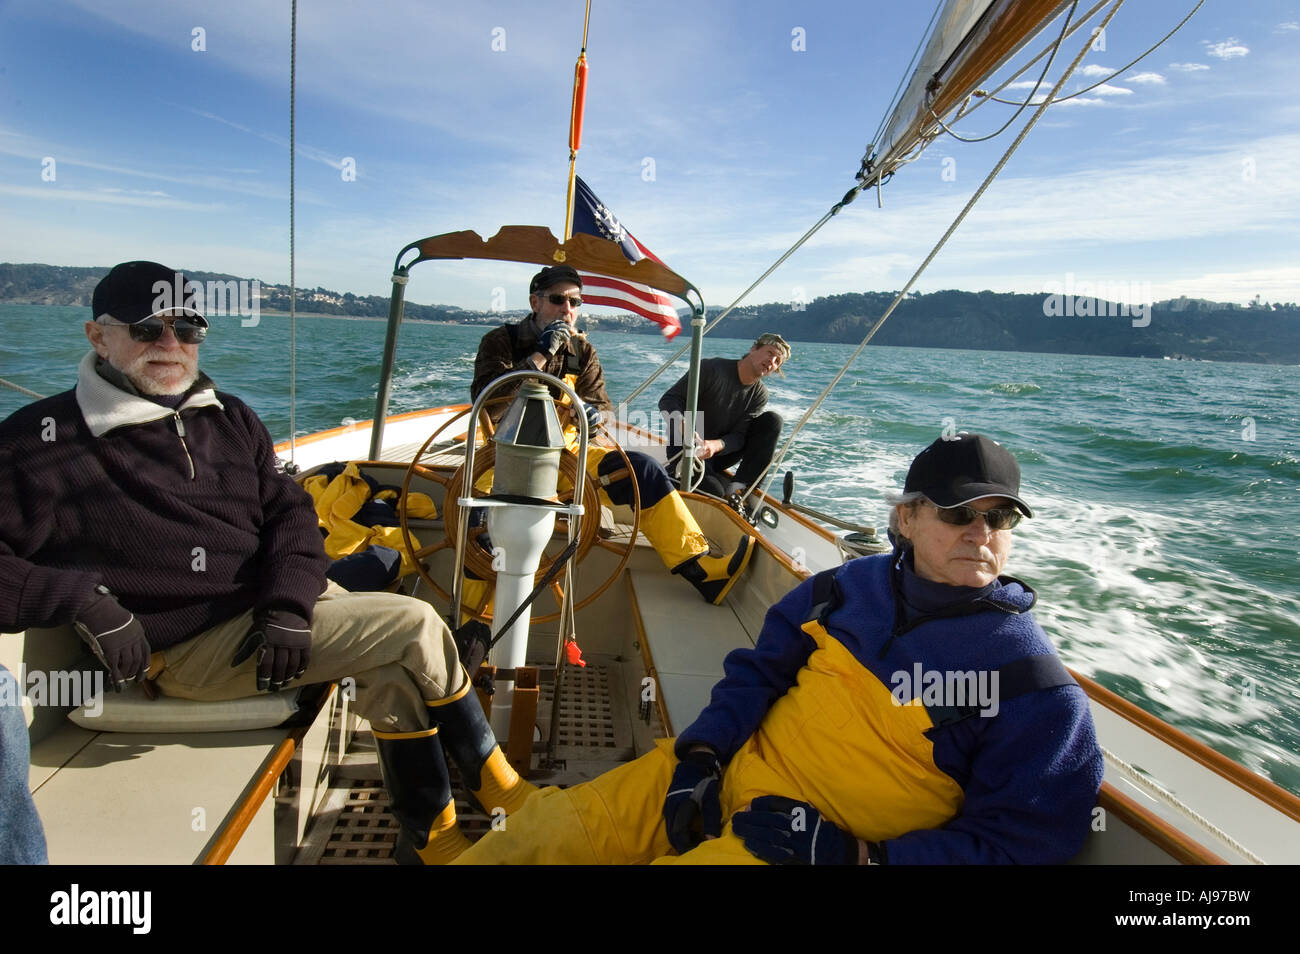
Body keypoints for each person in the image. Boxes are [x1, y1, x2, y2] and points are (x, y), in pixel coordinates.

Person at [0, 261, 531, 865]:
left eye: (188, 326)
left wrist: (285, 604)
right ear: (98, 336)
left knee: (395, 675)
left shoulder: (228, 416)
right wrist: (86, 604)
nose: (171, 345)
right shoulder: (42, 443)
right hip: (187, 649)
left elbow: (293, 516)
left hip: (265, 616)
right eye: (148, 329)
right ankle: (508, 793)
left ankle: (439, 844)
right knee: (416, 623)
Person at [453, 433, 1103, 864]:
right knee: (540, 840)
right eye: (960, 514)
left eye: (1001, 517)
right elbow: (756, 675)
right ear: (905, 518)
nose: (981, 533)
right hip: (726, 770)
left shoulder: (1034, 688)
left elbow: (1026, 843)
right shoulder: (847, 589)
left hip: (801, 846)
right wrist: (702, 755)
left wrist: (860, 857)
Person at [471, 265, 753, 605]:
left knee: (644, 471)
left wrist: (591, 415)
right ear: (535, 302)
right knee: (472, 515)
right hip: (504, 459)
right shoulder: (502, 341)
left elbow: (601, 414)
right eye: (558, 300)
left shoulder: (582, 352)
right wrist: (542, 354)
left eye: (575, 302)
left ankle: (702, 571)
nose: (568, 310)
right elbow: (488, 408)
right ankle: (473, 619)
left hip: (568, 462)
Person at [659, 333, 789, 508]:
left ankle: (740, 486)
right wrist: (685, 428)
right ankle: (673, 475)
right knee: (716, 495)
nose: (771, 361)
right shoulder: (711, 368)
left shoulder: (760, 394)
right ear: (753, 349)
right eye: (770, 353)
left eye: (777, 361)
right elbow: (668, 400)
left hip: (718, 453)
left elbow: (739, 436)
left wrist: (713, 446)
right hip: (686, 450)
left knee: (773, 420)